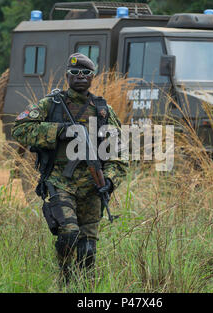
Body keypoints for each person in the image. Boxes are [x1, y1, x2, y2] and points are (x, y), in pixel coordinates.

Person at [11, 53, 128, 282]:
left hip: (93, 187)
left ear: (92, 77)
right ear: (67, 76)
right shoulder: (52, 105)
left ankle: (85, 289)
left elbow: (118, 155)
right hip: (60, 182)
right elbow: (20, 128)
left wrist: (110, 181)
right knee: (68, 234)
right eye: (75, 73)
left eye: (85, 73)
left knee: (88, 250)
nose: (80, 77)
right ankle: (65, 280)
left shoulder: (103, 111)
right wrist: (59, 131)